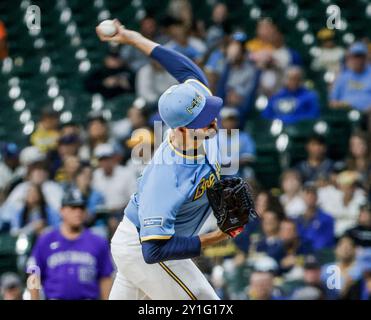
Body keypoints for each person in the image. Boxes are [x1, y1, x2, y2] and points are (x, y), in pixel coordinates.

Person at [96, 19, 241, 300]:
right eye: (202, 120)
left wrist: (133, 39)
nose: (212, 121)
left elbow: (186, 69)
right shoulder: (166, 177)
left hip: (143, 239)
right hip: (144, 246)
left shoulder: (196, 104)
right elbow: (154, 251)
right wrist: (218, 236)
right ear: (181, 130)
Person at [27, 188, 114, 300]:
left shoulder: (98, 241)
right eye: (73, 207)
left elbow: (105, 278)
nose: (78, 212)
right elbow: (33, 272)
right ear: (62, 210)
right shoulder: (46, 240)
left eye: (81, 208)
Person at [318, 170, 367, 237]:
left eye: (351, 186)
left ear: (355, 187)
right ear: (341, 187)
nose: (348, 188)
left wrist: (340, 216)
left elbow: (361, 218)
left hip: (354, 234)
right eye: (345, 185)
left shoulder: (361, 198)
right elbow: (328, 214)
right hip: (335, 233)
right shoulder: (335, 197)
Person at [92, 143, 137, 215]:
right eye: (102, 160)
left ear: (113, 158)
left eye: (107, 159)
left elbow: (134, 199)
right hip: (102, 215)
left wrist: (117, 211)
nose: (105, 162)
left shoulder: (126, 173)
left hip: (124, 213)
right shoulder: (96, 175)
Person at [330, 41, 371, 113]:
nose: (357, 60)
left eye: (360, 56)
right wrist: (339, 105)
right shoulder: (343, 76)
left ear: (365, 57)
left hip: (367, 114)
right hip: (345, 114)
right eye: (354, 56)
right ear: (350, 58)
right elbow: (333, 101)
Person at [219, 107, 256, 179]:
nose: (230, 123)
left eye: (233, 120)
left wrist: (228, 164)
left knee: (249, 174)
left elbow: (249, 158)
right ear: (222, 121)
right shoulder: (215, 138)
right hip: (219, 175)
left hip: (240, 175)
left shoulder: (244, 137)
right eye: (228, 120)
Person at [296, 185, 335, 251]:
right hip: (301, 253)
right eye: (307, 195)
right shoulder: (298, 219)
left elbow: (327, 241)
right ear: (302, 198)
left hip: (321, 254)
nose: (309, 198)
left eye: (312, 195)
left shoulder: (327, 218)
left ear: (317, 197)